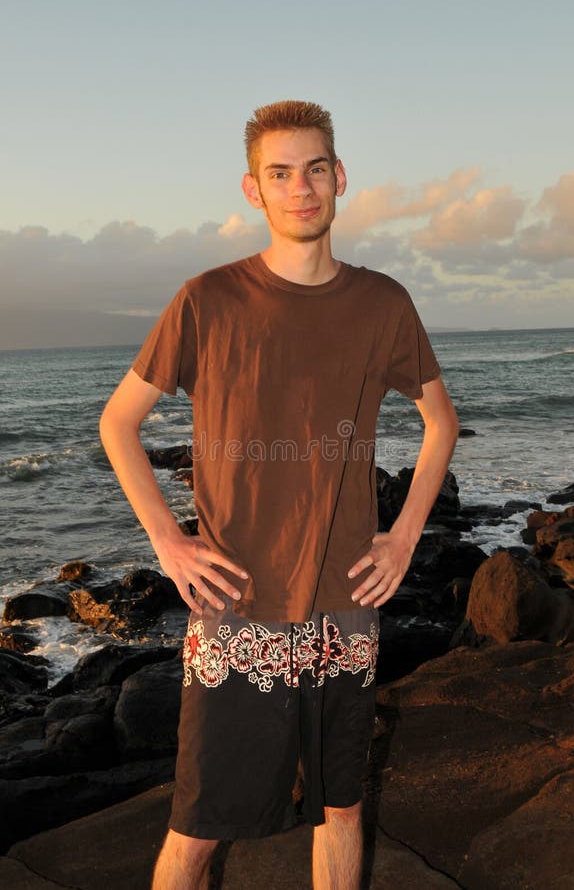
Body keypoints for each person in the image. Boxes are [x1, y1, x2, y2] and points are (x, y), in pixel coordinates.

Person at [99, 100, 459, 890]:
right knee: (195, 831)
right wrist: (167, 539)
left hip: (345, 607)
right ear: (253, 190)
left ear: (340, 178)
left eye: (315, 169)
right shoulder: (207, 300)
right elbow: (118, 424)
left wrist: (401, 539)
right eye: (281, 173)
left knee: (343, 812)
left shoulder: (384, 303)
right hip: (238, 606)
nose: (302, 188)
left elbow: (441, 421)